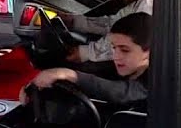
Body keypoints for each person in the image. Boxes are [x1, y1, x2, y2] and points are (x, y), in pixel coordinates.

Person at [22, 12, 152, 107]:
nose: (116, 56)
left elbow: (121, 92)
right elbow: (93, 71)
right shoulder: (126, 68)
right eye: (114, 48)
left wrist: (70, 75)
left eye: (125, 50)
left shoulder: (157, 79)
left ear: (148, 51)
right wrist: (39, 84)